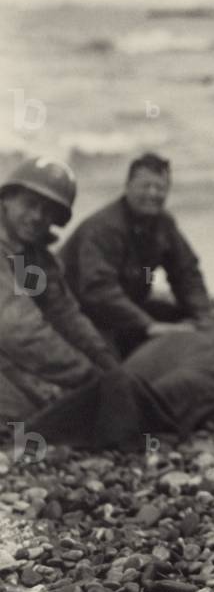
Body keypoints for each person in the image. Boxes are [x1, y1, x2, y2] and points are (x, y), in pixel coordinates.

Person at [0, 157, 119, 419]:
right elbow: (18, 331)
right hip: (9, 339)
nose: (37, 217)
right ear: (7, 199)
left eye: (48, 211)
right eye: (29, 204)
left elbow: (64, 313)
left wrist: (106, 362)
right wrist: (87, 375)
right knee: (22, 418)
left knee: (44, 411)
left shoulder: (33, 255)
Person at [59, 153, 210, 358]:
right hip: (81, 311)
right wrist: (147, 325)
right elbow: (98, 290)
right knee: (109, 367)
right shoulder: (104, 227)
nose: (153, 193)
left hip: (127, 307)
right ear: (128, 186)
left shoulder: (163, 224)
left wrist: (201, 317)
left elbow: (186, 272)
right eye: (145, 186)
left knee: (193, 328)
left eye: (161, 188)